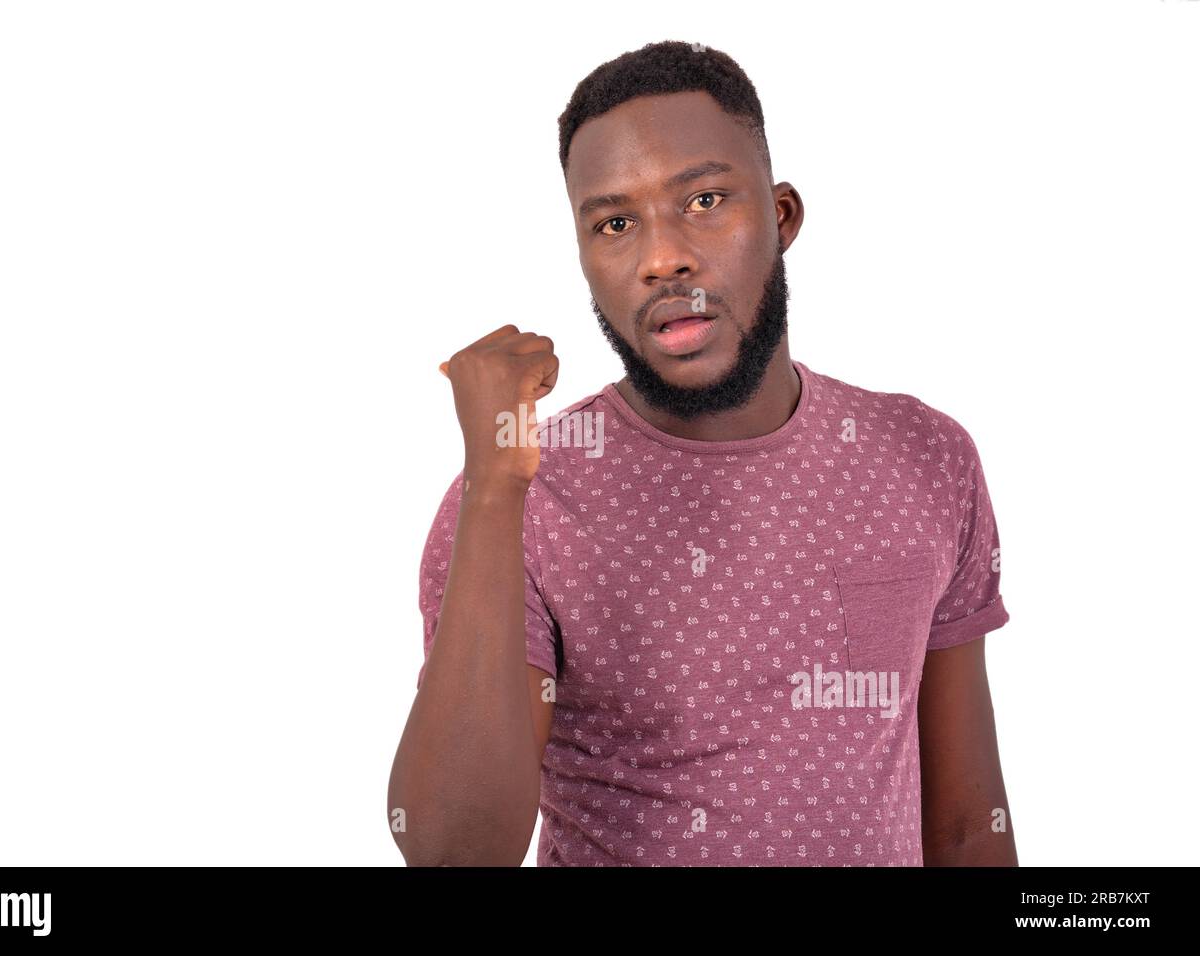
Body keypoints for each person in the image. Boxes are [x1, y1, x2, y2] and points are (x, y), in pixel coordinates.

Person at [388, 40, 1014, 867]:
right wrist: (497, 487)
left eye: (706, 199)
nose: (662, 258)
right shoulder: (526, 498)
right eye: (616, 223)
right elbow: (452, 850)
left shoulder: (926, 458)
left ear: (782, 216)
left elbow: (970, 825)